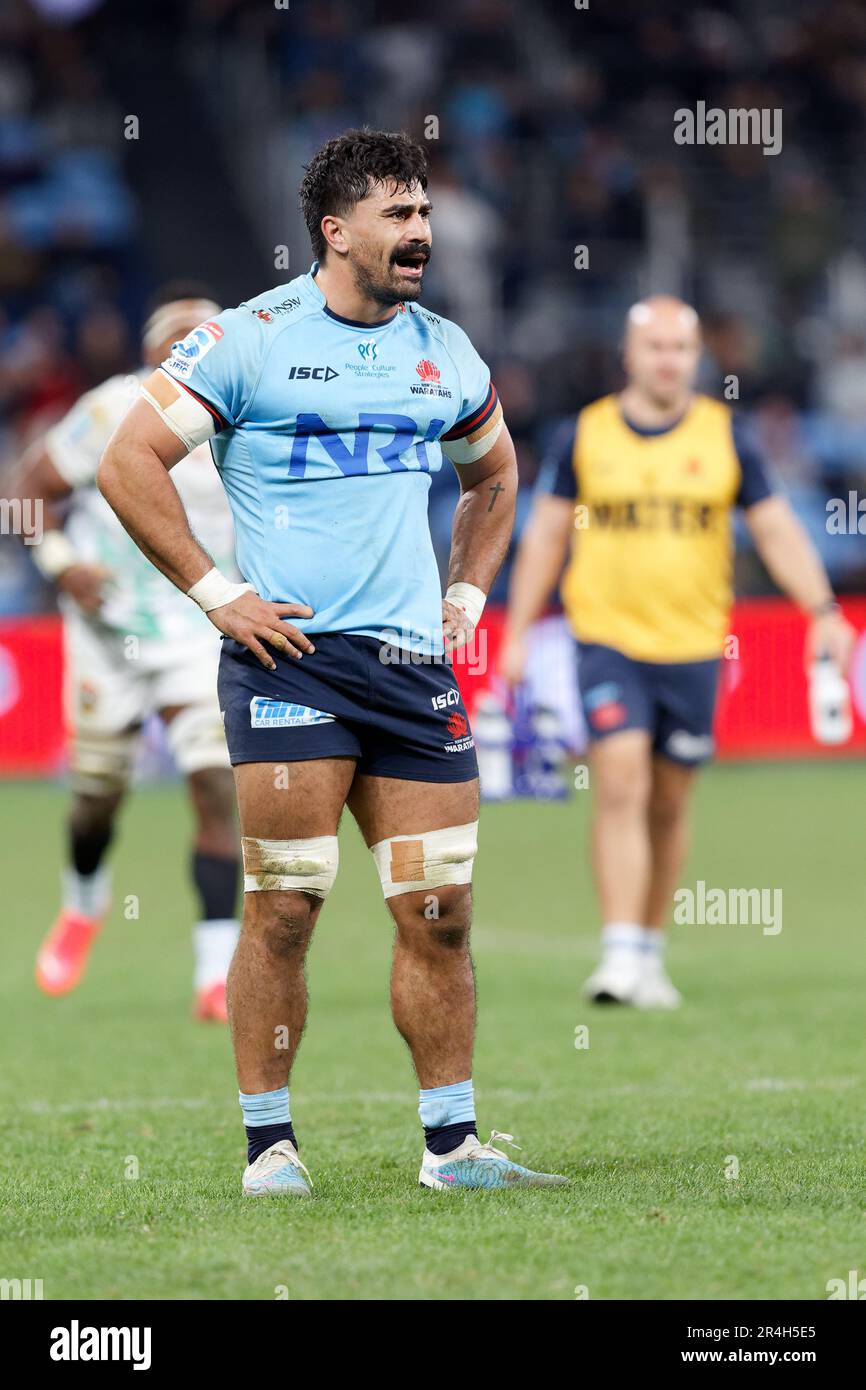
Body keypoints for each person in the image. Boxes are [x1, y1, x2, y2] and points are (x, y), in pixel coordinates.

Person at [97, 129, 567, 1194]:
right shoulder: (246, 340)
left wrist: (466, 591)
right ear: (335, 229)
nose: (419, 234)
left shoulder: (444, 349)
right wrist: (219, 594)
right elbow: (130, 463)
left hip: (412, 673)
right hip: (290, 665)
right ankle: (271, 1149)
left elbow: (495, 477)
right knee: (286, 906)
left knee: (438, 915)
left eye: (424, 215)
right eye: (397, 216)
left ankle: (450, 1147)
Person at [500, 296, 854, 1007]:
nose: (668, 360)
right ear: (630, 355)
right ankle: (619, 954)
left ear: (698, 359)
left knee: (668, 802)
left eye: (681, 349)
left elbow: (779, 529)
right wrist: (515, 631)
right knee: (621, 780)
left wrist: (820, 610)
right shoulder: (585, 435)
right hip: (605, 638)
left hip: (694, 645)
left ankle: (650, 950)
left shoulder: (729, 438)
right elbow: (545, 535)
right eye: (655, 346)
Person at [17, 286, 241, 1022]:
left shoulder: (248, 417)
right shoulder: (111, 410)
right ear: (150, 356)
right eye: (179, 341)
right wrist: (59, 565)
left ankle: (215, 972)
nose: (195, 351)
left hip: (195, 630)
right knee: (94, 804)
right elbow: (24, 491)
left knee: (215, 786)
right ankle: (83, 905)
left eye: (207, 339)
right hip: (108, 633)